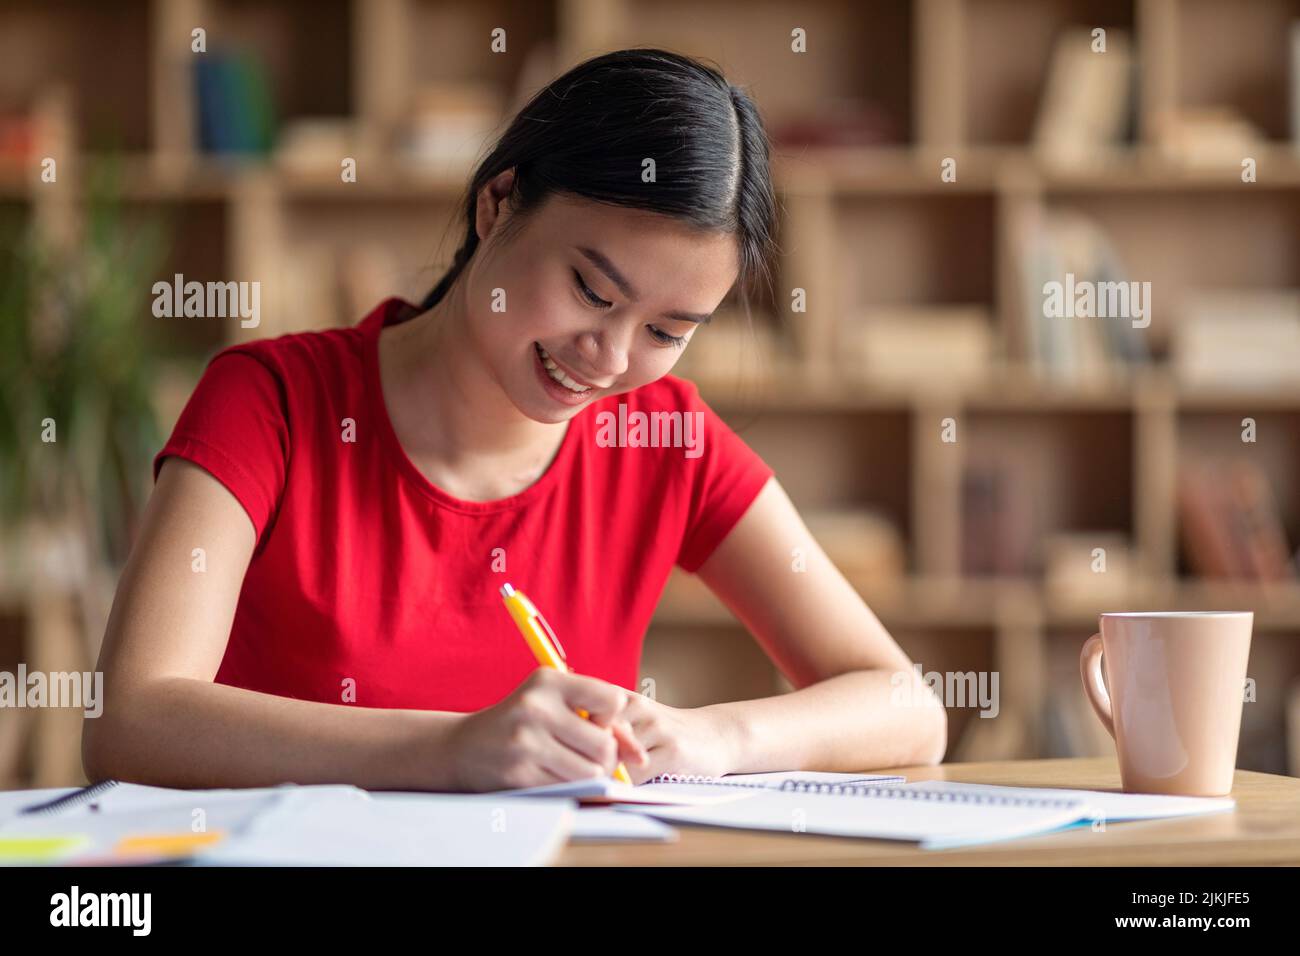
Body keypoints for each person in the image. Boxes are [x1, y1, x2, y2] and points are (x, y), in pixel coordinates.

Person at [84, 49, 945, 792]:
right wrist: (450, 747)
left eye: (665, 331)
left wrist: (716, 739)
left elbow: (907, 708)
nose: (608, 357)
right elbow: (131, 719)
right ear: (499, 201)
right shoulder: (270, 402)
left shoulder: (663, 435)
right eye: (592, 291)